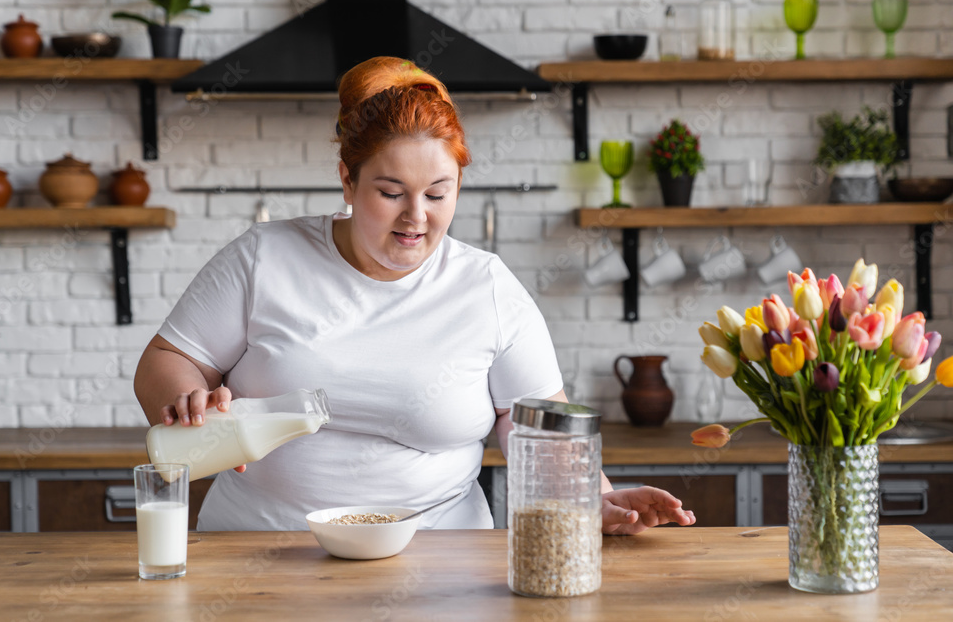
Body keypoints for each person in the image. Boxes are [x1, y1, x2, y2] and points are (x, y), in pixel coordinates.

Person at [134, 56, 696, 534]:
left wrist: (588, 496)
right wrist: (188, 399)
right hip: (260, 556)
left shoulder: (488, 287)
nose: (416, 217)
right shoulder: (264, 258)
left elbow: (537, 423)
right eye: (390, 192)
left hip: (439, 565)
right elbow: (167, 360)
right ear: (348, 180)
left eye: (437, 193)